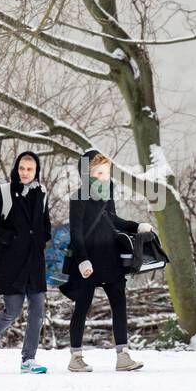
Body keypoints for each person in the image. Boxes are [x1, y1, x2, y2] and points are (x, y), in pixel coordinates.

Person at [61, 150, 152, 372]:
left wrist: (135, 226)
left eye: (106, 171)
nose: (104, 175)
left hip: (110, 257)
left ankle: (123, 356)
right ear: (87, 173)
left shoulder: (108, 192)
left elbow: (112, 220)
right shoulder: (78, 197)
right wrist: (82, 260)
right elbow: (76, 233)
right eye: (99, 172)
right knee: (82, 307)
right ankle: (76, 358)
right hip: (88, 260)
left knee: (119, 304)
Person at [0, 151, 52, 374]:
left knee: (37, 311)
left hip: (35, 262)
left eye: (30, 169)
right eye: (22, 168)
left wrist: (42, 237)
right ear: (16, 169)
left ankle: (28, 360)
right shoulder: (4, 193)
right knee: (12, 310)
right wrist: (12, 238)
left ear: (36, 171)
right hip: (11, 262)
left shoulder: (42, 192)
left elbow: (45, 224)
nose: (25, 172)